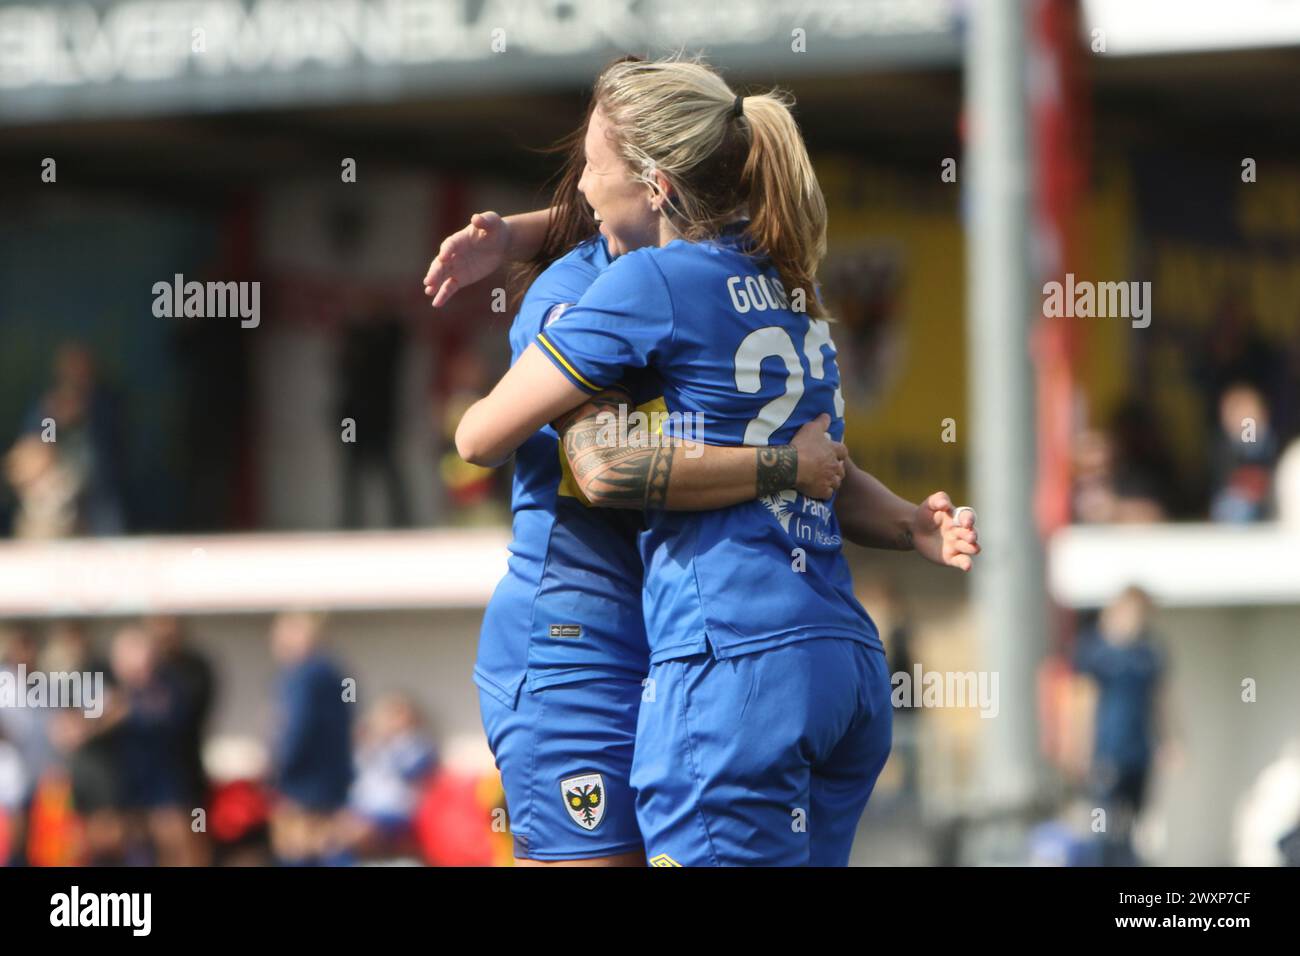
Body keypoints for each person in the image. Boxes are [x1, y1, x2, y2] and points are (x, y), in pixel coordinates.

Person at [438, 57, 979, 865]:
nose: (579, 187)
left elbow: (582, 460)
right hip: (578, 645)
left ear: (656, 183)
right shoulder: (779, 280)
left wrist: (821, 484)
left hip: (709, 652)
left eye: (591, 165)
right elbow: (810, 463)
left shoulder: (641, 283)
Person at [1073, 586, 1168, 866]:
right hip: (1107, 751)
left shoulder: (1149, 653)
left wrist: (1167, 741)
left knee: (1134, 826)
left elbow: (1160, 699)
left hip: (1138, 752)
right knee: (1103, 825)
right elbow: (1083, 705)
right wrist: (1083, 751)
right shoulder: (1097, 653)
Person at [269, 611, 354, 865]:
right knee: (327, 845)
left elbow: (297, 728)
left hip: (303, 781)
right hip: (332, 780)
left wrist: (280, 770)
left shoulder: (303, 675)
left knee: (298, 849)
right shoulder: (336, 673)